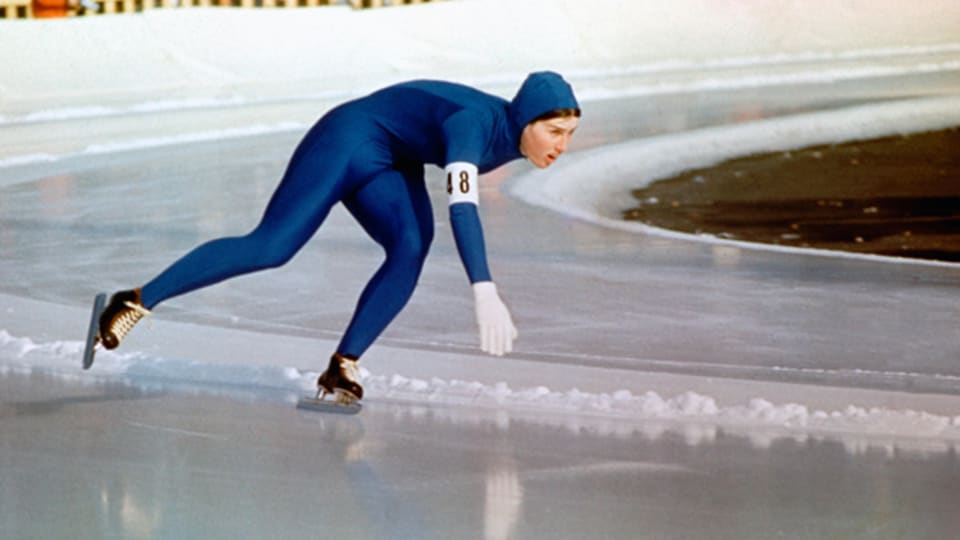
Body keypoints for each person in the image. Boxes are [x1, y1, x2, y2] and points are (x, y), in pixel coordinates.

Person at [95, 71, 580, 405]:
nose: (562, 146)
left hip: (393, 156)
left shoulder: (517, 132)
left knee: (410, 247)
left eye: (570, 134)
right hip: (350, 135)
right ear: (526, 121)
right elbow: (463, 208)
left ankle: (343, 366)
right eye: (555, 131)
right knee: (272, 246)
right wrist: (483, 288)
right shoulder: (472, 126)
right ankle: (135, 300)